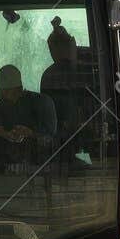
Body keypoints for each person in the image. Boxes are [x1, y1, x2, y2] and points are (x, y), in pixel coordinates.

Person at [0, 65, 56, 173]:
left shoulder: (42, 103)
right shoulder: (0, 105)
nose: (8, 97)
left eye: (12, 92)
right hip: (7, 168)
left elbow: (52, 138)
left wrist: (31, 133)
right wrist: (3, 133)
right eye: (4, 92)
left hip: (40, 167)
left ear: (20, 88)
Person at [38, 17, 85, 151]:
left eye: (51, 49)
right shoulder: (82, 70)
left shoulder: (49, 74)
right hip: (78, 133)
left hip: (58, 135)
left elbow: (46, 111)